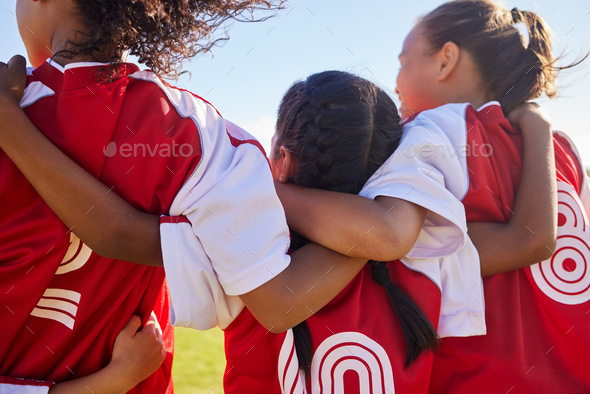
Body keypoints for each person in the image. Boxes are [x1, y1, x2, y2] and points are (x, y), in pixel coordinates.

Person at [0, 54, 553, 393]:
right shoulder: (427, 247)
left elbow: (114, 230)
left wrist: (11, 126)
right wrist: (535, 122)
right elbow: (530, 239)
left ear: (280, 158)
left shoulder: (245, 252)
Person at [0, 0, 378, 391]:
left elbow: (115, 231)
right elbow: (279, 298)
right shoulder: (201, 135)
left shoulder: (16, 105)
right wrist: (385, 223)